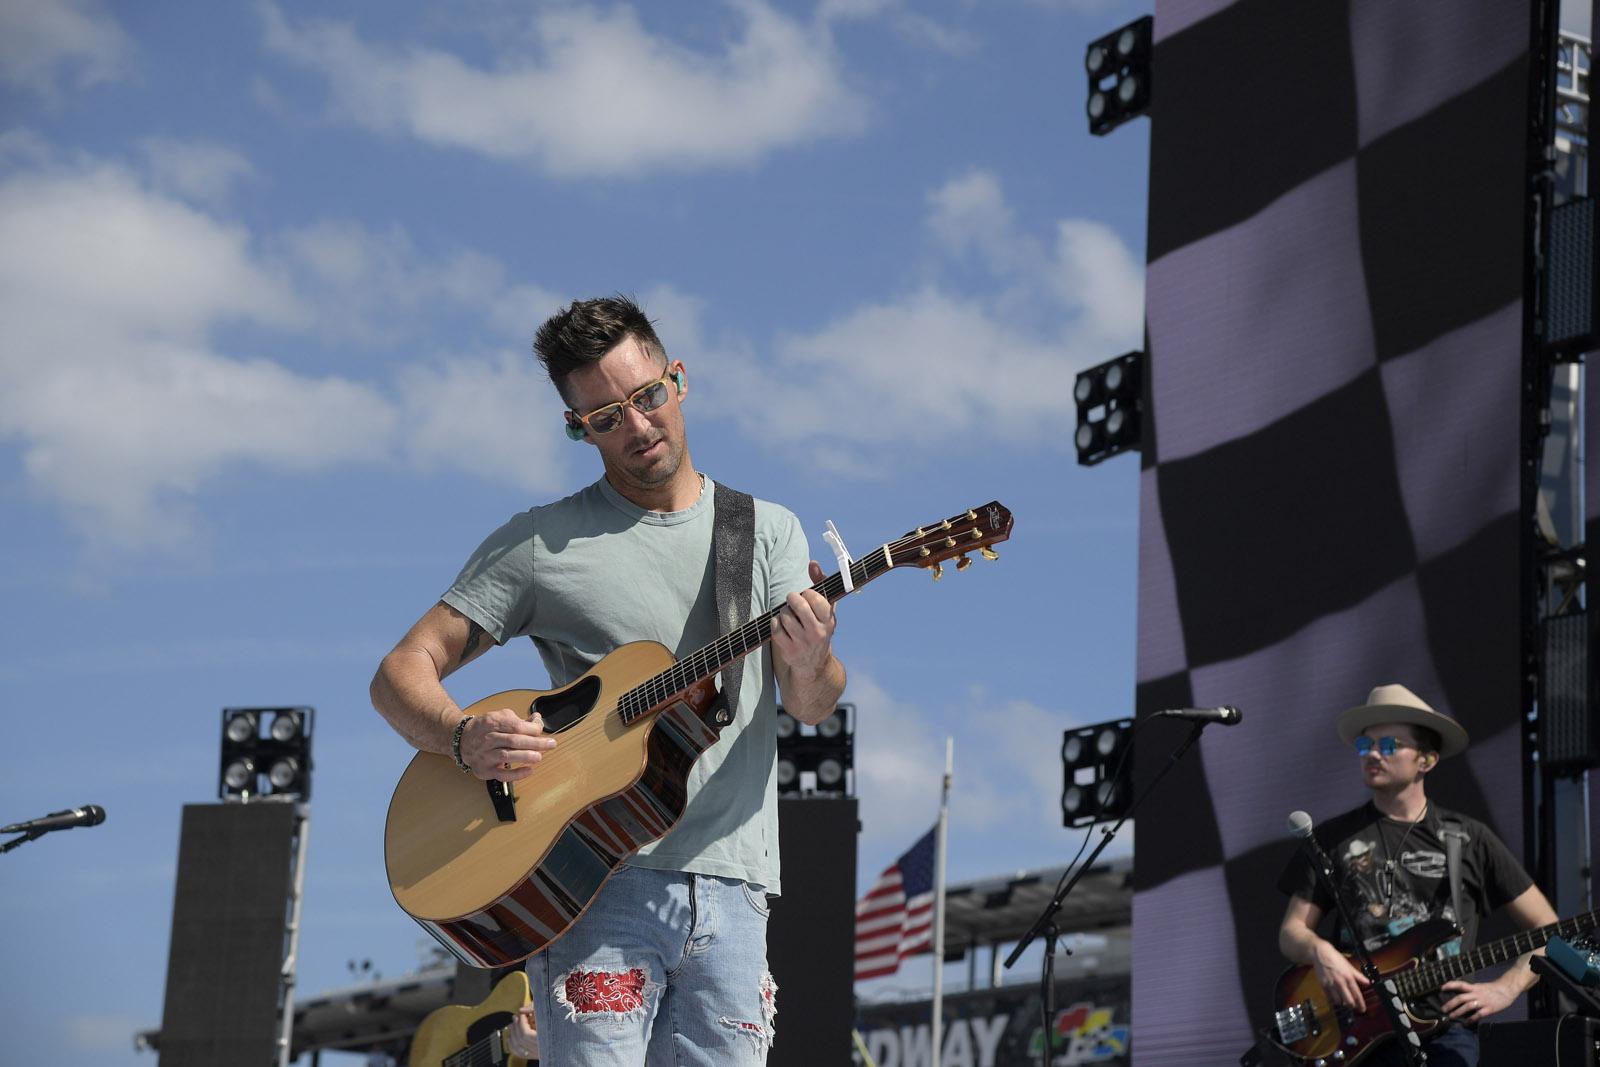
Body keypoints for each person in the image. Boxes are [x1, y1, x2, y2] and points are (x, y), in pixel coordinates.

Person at [370, 294, 846, 1065]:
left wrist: (812, 656)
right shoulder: (540, 543)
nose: (638, 426)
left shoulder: (767, 532)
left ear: (678, 379)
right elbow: (400, 671)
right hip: (591, 887)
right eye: (605, 417)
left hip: (736, 885)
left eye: (647, 395)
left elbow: (810, 702)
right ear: (576, 428)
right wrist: (462, 737)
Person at [1275, 684, 1559, 1066]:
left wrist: (1505, 989)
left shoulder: (1469, 839)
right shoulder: (1331, 837)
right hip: (1356, 1033)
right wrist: (1321, 952)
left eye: (1389, 745)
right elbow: (1292, 933)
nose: (1373, 754)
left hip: (1445, 1033)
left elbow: (1549, 930)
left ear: (1426, 760)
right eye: (1366, 746)